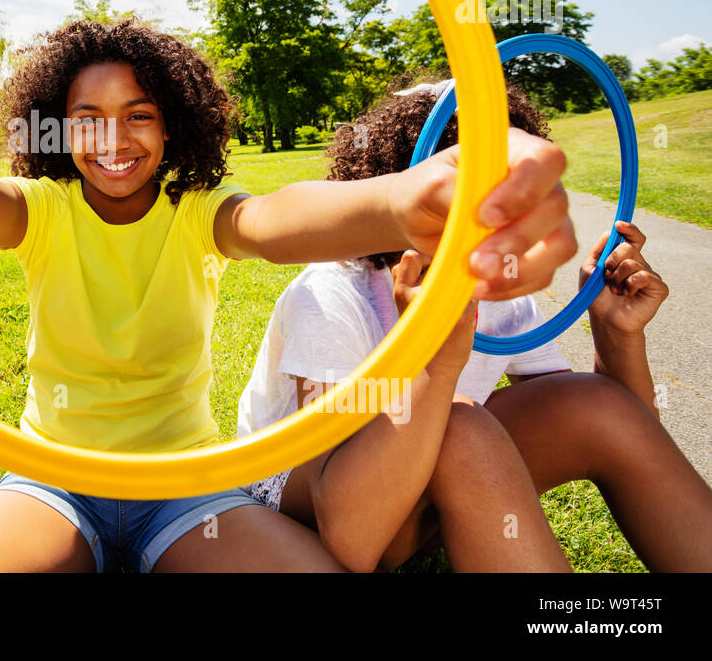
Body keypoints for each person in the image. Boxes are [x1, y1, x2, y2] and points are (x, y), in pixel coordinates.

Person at [0, 20, 578, 572]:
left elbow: (280, 220)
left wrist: (403, 199)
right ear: (55, 129)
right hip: (53, 485)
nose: (114, 139)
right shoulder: (39, 212)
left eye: (140, 114)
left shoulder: (200, 217)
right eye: (87, 118)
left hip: (188, 490)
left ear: (176, 123)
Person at [237, 76, 712, 571]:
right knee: (458, 422)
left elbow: (608, 430)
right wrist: (433, 360)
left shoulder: (498, 281)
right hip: (316, 508)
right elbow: (353, 541)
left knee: (585, 403)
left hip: (424, 485)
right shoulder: (334, 291)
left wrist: (617, 337)